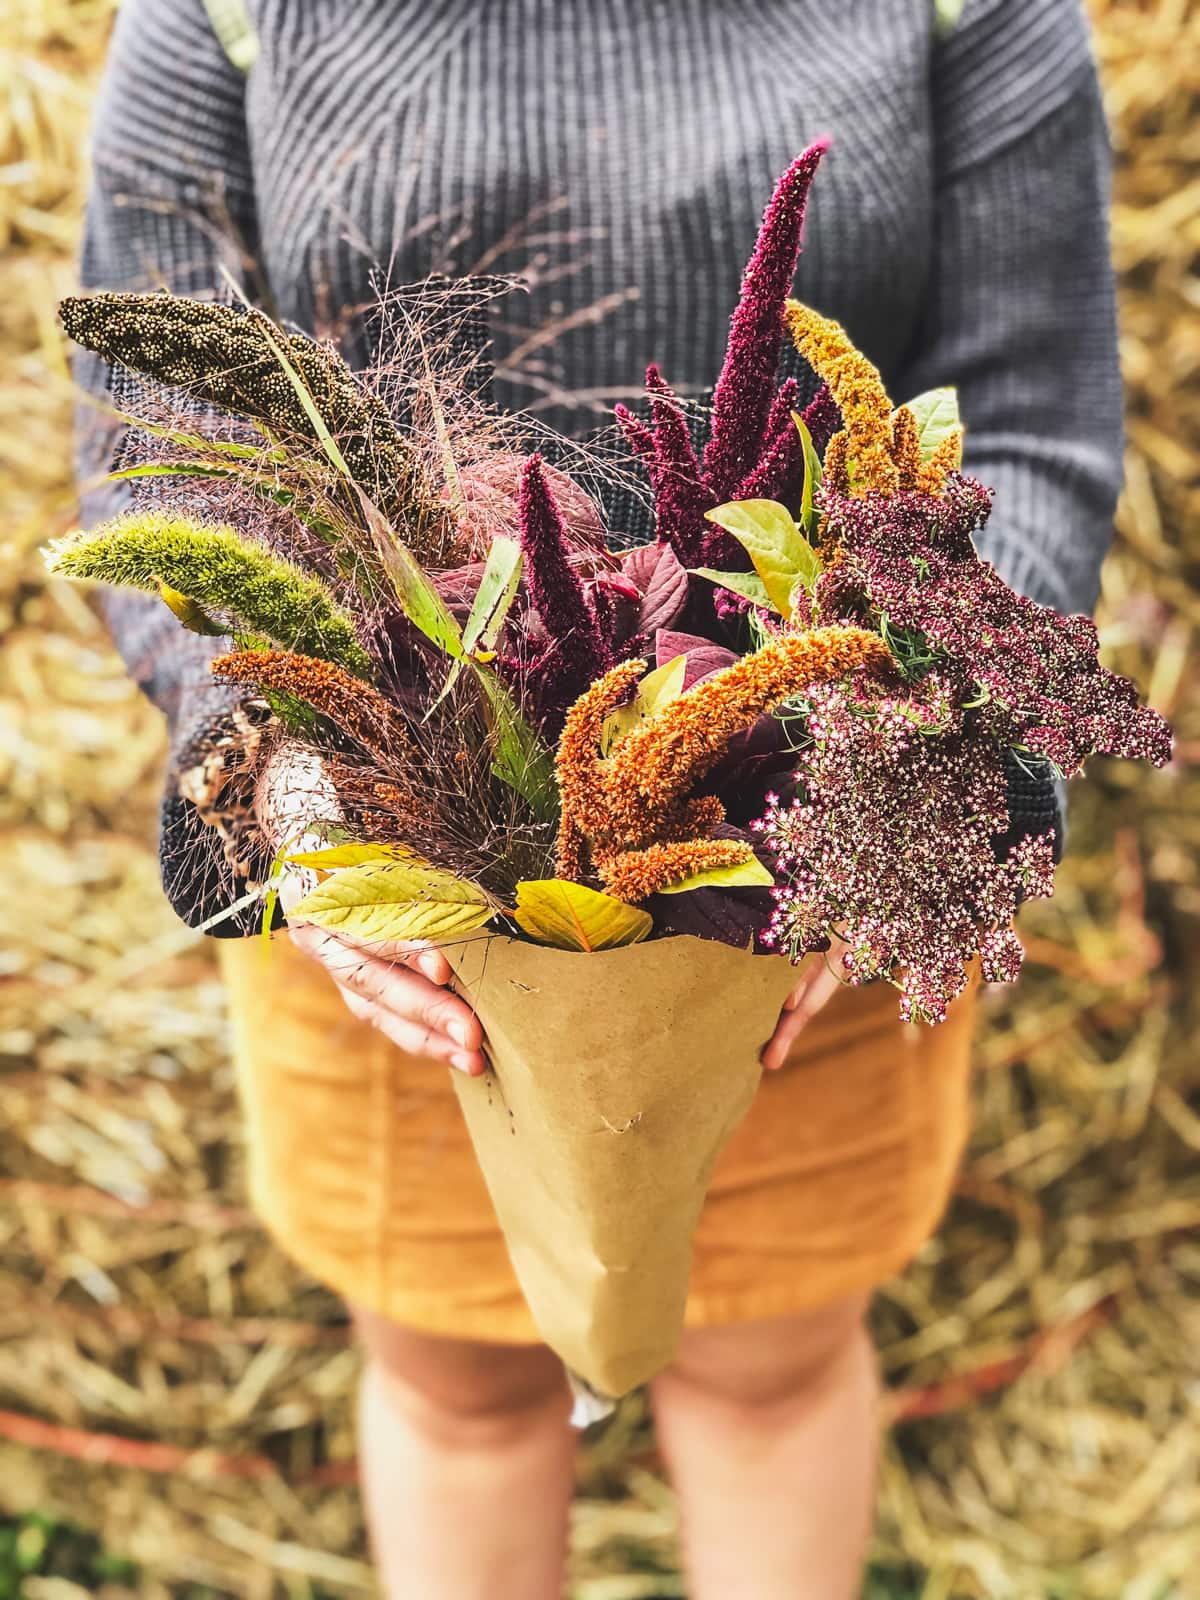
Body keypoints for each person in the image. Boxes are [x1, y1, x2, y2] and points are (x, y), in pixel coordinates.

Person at [75, 2, 1122, 1595]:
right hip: (391, 878)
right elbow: (169, 455)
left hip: (806, 854)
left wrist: (912, 767)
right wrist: (282, 774)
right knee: (458, 1388)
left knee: (771, 1374)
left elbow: (1029, 430)